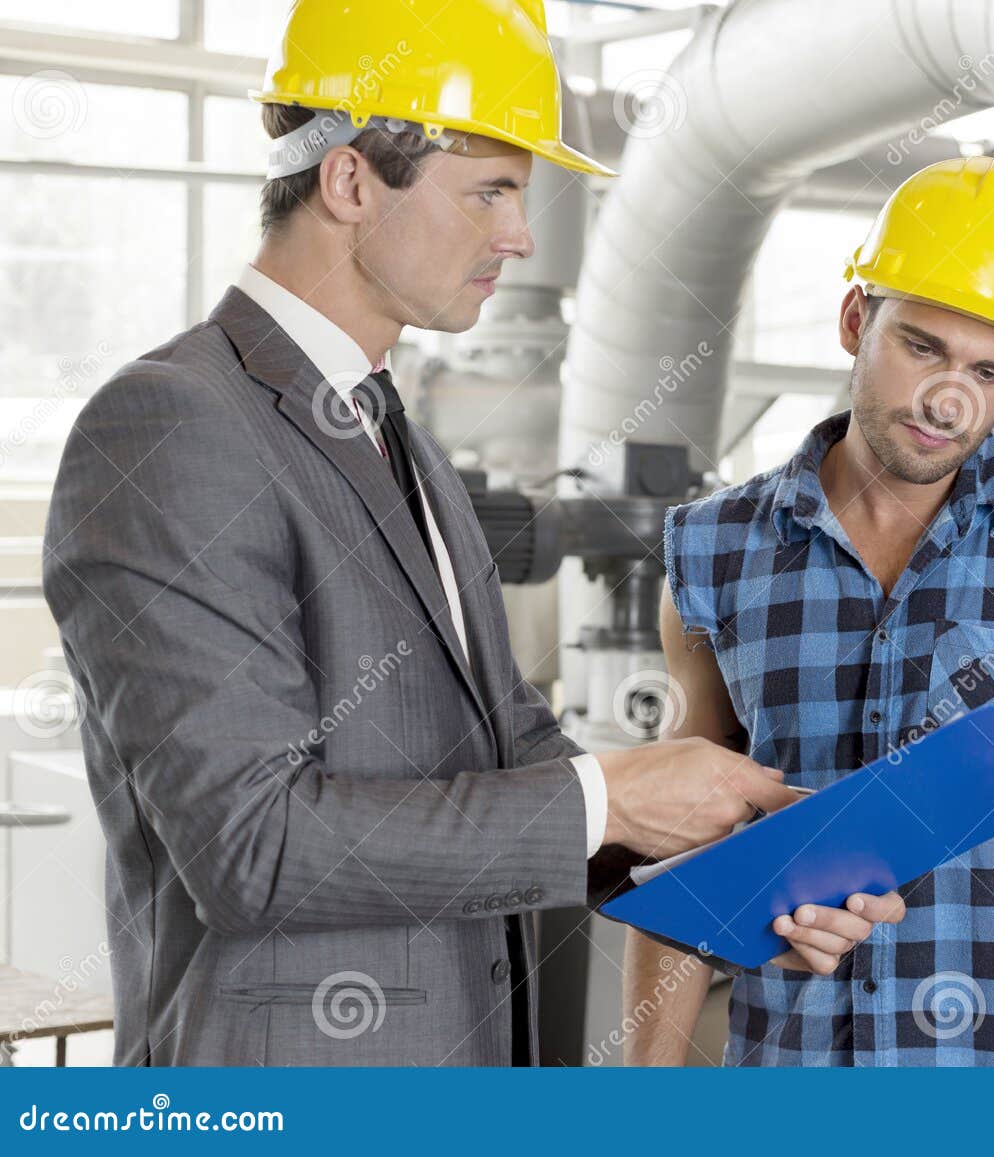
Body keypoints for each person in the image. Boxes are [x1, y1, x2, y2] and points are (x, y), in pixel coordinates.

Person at [41, 0, 900, 1067]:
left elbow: (505, 748)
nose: (521, 236)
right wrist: (608, 795)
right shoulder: (175, 424)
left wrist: (729, 864)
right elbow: (252, 844)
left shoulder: (396, 436)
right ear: (351, 181)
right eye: (490, 190)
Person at [623, 153, 994, 1066]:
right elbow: (683, 851)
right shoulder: (714, 550)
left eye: (991, 371)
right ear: (854, 319)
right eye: (923, 348)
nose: (951, 402)